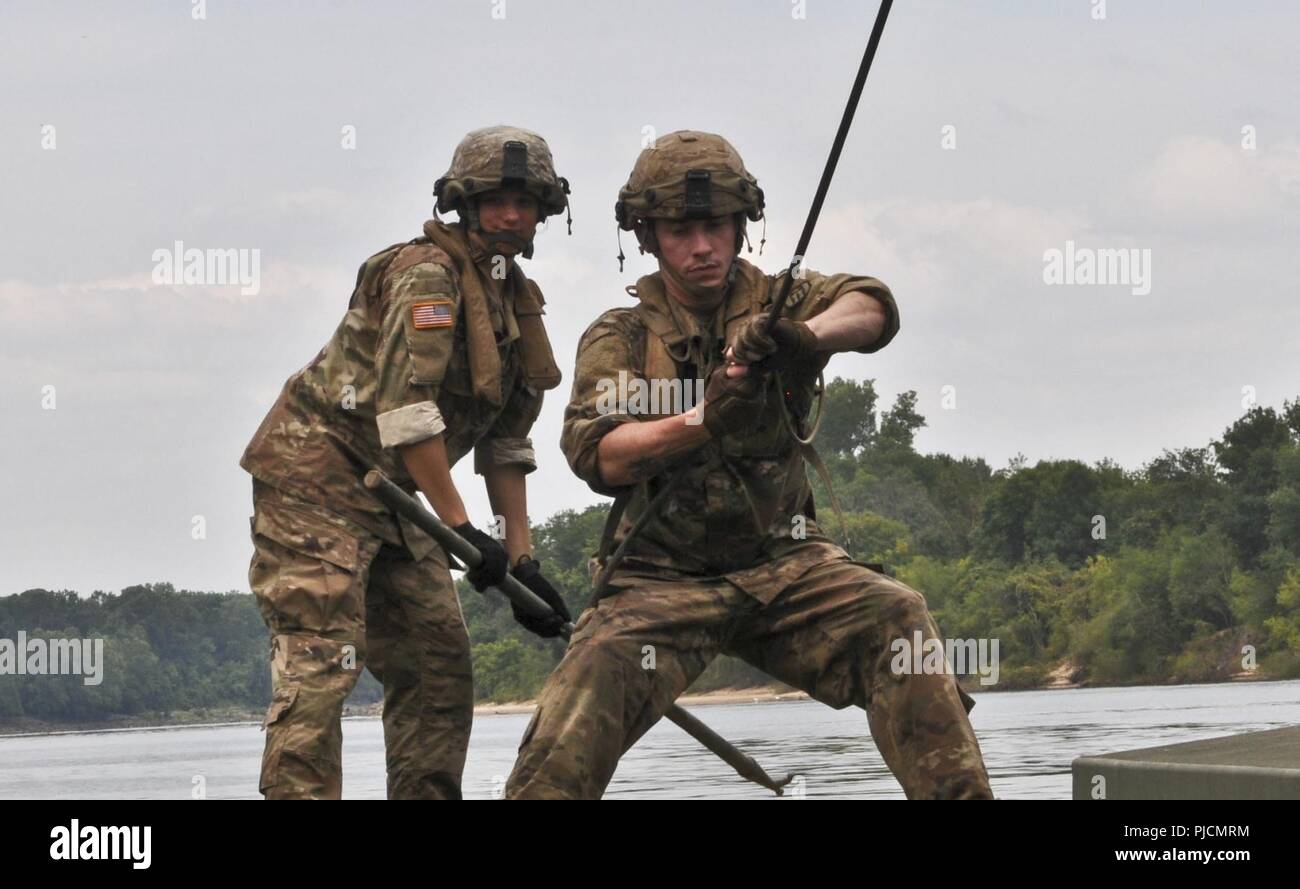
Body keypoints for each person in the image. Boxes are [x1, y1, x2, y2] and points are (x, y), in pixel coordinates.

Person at [505, 130, 992, 799]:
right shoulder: (621, 335)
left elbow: (875, 307)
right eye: (680, 230)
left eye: (715, 226)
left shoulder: (782, 302)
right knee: (565, 735)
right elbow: (598, 454)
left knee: (897, 617)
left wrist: (804, 337)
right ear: (647, 236)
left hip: (787, 565)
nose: (702, 246)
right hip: (658, 583)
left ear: (741, 225)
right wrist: (703, 418)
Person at [240, 126, 573, 799]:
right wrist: (463, 529)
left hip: (395, 497)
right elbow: (407, 412)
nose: (511, 213)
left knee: (438, 665)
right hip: (315, 481)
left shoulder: (516, 301)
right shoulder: (427, 274)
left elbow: (506, 442)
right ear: (464, 202)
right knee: (321, 665)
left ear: (545, 210)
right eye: (496, 198)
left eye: (525, 200)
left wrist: (521, 555)